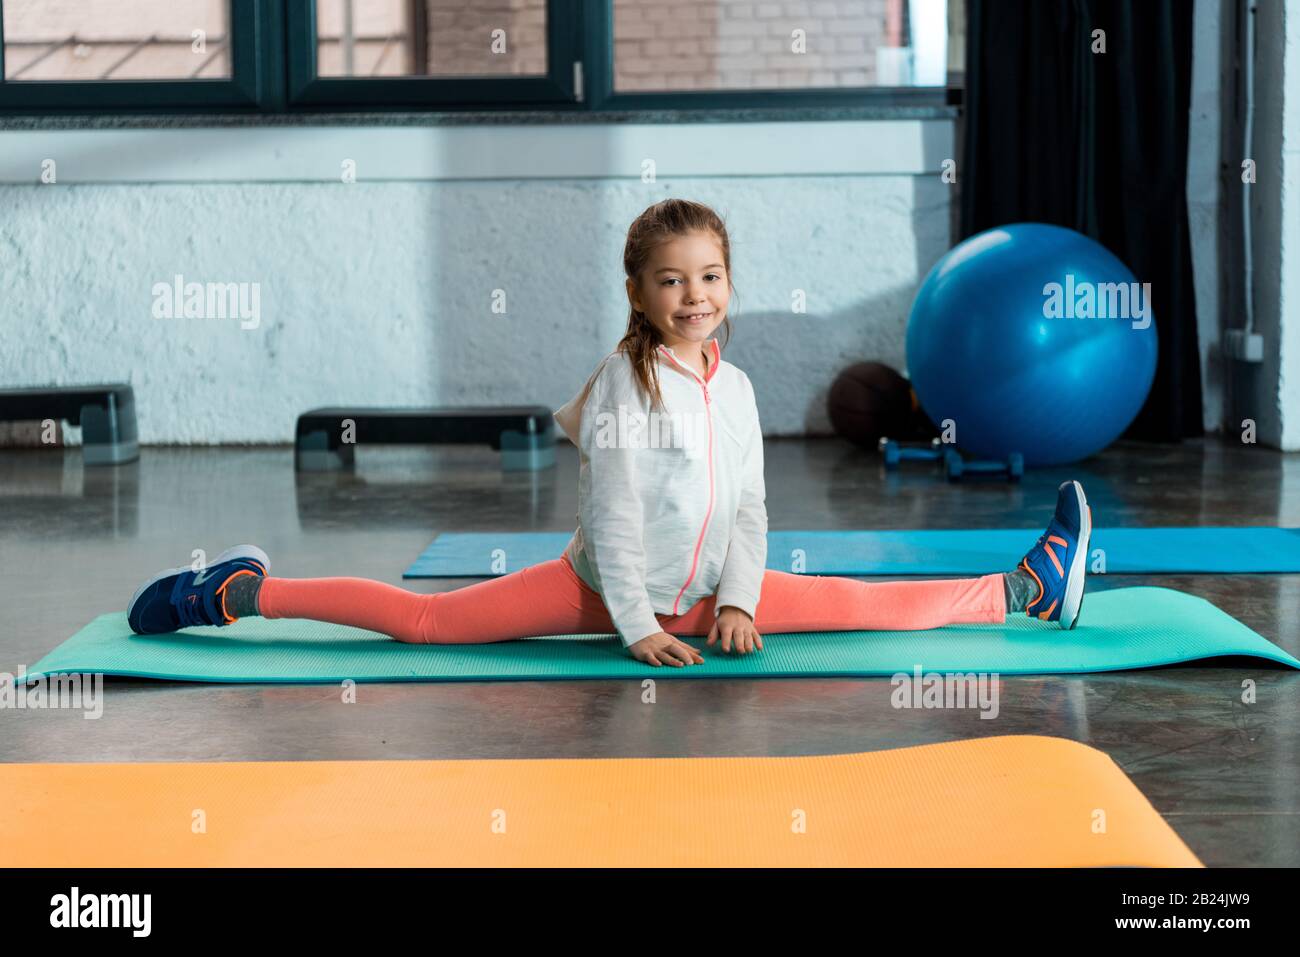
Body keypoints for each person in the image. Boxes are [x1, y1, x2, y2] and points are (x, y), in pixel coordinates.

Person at [127, 199, 1092, 668]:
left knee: (858, 599)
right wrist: (633, 626)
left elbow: (751, 508)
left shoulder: (740, 389)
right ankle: (243, 589)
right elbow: (617, 521)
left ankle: (1031, 588)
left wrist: (741, 602)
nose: (693, 296)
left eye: (709, 276)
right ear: (637, 291)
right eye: (671, 280)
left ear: (730, 286)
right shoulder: (627, 387)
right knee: (427, 623)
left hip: (712, 594)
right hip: (600, 590)